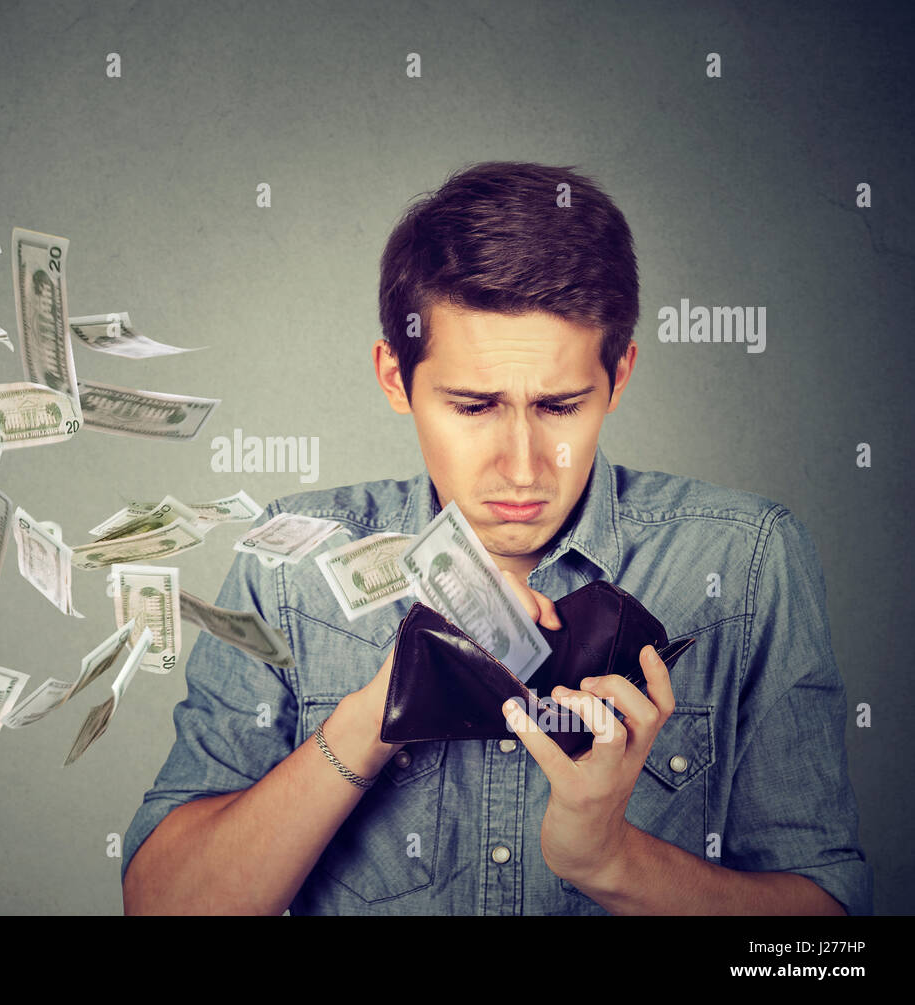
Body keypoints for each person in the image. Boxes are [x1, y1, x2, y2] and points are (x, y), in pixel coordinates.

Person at [120, 161, 872, 915]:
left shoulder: (744, 563)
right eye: (475, 407)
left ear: (619, 376)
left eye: (559, 406)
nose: (523, 467)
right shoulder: (291, 574)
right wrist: (372, 716)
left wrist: (612, 860)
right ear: (394, 376)